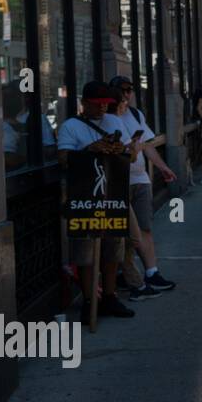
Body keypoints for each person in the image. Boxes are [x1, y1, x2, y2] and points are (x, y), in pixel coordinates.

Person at [56, 81, 138, 320]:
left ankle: (110, 297)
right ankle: (90, 300)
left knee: (114, 246)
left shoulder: (113, 121)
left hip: (111, 193)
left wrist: (120, 150)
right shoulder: (71, 126)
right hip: (83, 196)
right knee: (85, 250)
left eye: (105, 105)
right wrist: (91, 149)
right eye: (96, 105)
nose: (102, 109)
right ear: (84, 103)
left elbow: (129, 156)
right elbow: (63, 158)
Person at [110, 76, 178, 299]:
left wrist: (163, 168)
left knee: (145, 228)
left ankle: (152, 272)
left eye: (130, 90)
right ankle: (126, 276)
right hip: (117, 181)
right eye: (122, 90)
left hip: (140, 179)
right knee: (126, 234)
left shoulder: (136, 114)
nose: (127, 94)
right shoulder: (108, 118)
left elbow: (147, 145)